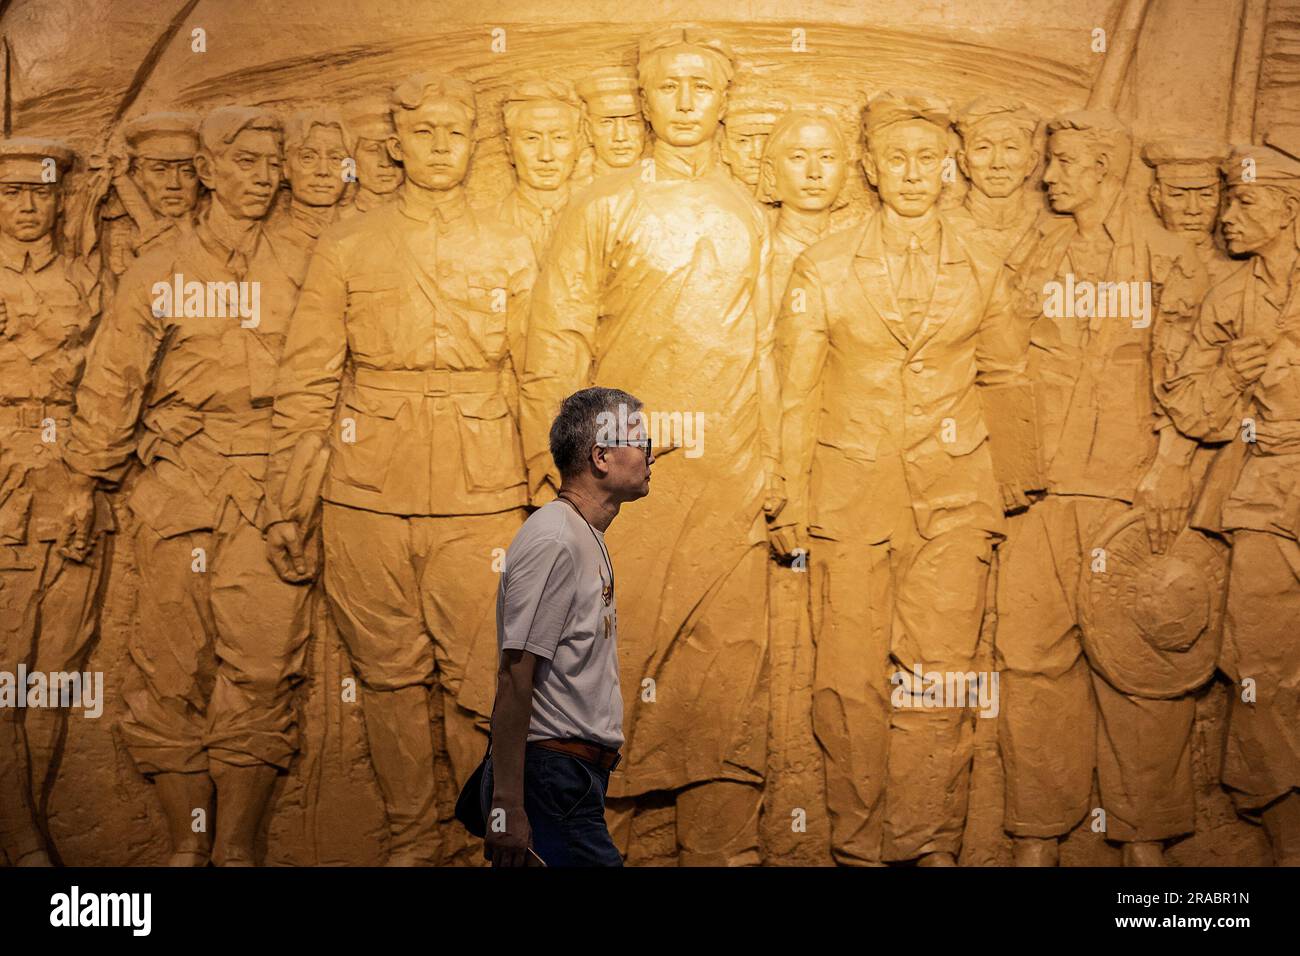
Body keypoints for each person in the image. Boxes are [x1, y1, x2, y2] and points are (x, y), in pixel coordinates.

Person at [520, 26, 783, 866]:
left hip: (732, 474)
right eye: (667, 86)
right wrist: (560, 470)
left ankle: (721, 842)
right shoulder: (602, 205)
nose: (683, 101)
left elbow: (775, 348)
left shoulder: (752, 216)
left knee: (727, 654)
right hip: (628, 477)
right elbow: (556, 337)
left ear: (722, 100)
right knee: (615, 652)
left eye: (700, 86)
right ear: (644, 97)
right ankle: (602, 841)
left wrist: (778, 471)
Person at [264, 72, 536, 865]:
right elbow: (308, 377)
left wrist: (554, 497)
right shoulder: (349, 244)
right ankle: (412, 838)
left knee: (488, 674)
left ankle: (491, 829)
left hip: (483, 485)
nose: (441, 147)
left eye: (455, 131)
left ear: (473, 141)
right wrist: (289, 502)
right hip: (365, 490)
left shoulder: (510, 242)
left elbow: (539, 373)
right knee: (385, 676)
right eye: (424, 133)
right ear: (395, 145)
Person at [772, 89, 1031, 866]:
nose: (913, 173)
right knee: (848, 682)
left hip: (954, 499)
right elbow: (794, 389)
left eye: (927, 158)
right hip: (849, 498)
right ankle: (855, 846)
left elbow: (1009, 377)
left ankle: (923, 844)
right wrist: (785, 493)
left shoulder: (986, 263)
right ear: (870, 169)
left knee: (940, 677)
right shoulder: (822, 264)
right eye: (896, 159)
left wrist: (1010, 496)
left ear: (946, 167)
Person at [61, 107, 312, 867]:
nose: (262, 179)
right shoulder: (160, 268)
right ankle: (185, 845)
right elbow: (112, 381)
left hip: (272, 486)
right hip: (179, 480)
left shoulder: (305, 261)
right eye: (245, 163)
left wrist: (304, 488)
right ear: (207, 171)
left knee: (264, 663)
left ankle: (235, 849)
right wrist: (83, 479)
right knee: (170, 664)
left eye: (272, 164)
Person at [996, 110, 1208, 866]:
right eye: (1051, 162)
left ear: (1104, 169)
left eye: (1063, 163)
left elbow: (1189, 366)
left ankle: (1144, 837)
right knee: (1031, 659)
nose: (1048, 176)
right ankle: (1037, 833)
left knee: (1139, 665)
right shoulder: (1038, 250)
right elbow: (1003, 362)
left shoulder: (1164, 255)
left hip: (1130, 492)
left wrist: (1173, 466)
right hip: (1042, 492)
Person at [1161, 135, 1300, 866]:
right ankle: (1285, 830)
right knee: (1257, 669)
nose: (1225, 217)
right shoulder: (1229, 297)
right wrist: (1225, 373)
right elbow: (1189, 409)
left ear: (1290, 211)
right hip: (1268, 500)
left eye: (1244, 202)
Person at [482, 386, 652, 867]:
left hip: (573, 779)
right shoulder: (555, 537)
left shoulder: (582, 534)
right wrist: (507, 805)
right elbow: (516, 676)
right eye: (640, 443)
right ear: (600, 456)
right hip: (551, 779)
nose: (650, 457)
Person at [0, 138, 105, 866]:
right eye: (11, 194)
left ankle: (32, 812)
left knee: (58, 664)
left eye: (41, 192)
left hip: (71, 478)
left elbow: (109, 384)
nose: (29, 207)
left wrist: (83, 480)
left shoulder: (87, 280)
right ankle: (20, 832)